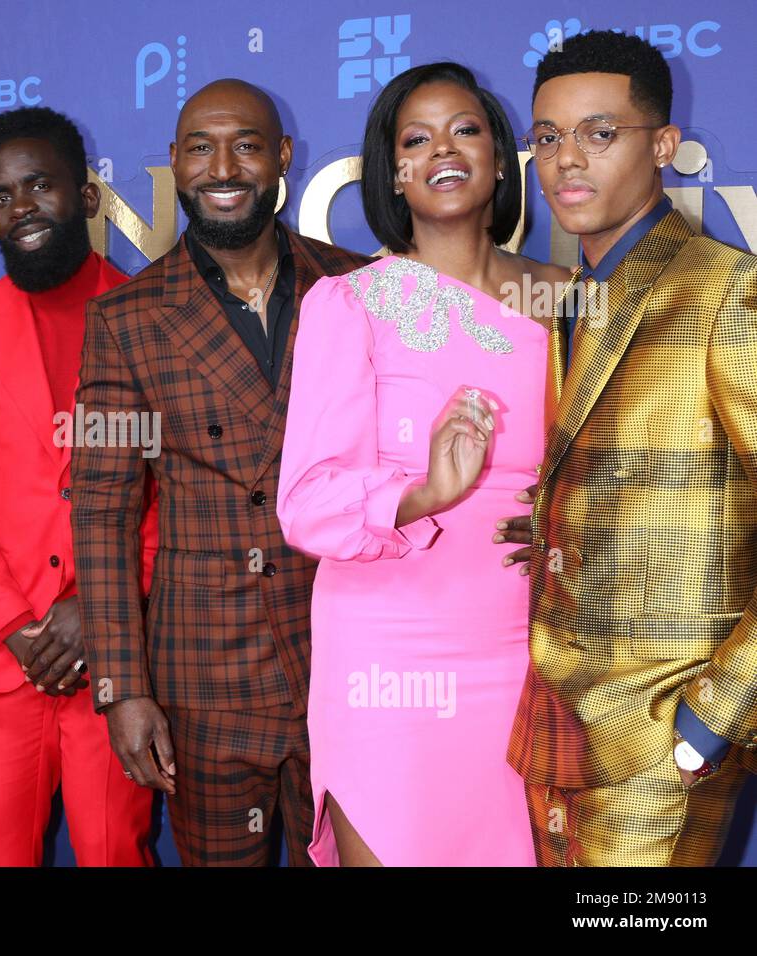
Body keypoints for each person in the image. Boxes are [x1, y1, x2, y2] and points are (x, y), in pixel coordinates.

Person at [277, 63, 571, 867]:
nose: (444, 149)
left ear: (504, 157)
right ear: (394, 174)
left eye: (466, 129)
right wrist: (424, 491)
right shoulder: (351, 303)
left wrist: (561, 515)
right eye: (417, 138)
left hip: (527, 648)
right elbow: (307, 503)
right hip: (385, 655)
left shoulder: (569, 302)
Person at [70, 80, 369, 866]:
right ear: (174, 163)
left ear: (283, 157)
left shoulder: (361, 288)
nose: (222, 165)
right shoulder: (125, 319)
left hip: (343, 657)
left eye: (245, 143)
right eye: (200, 147)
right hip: (201, 673)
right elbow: (102, 513)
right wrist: (124, 688)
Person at [510, 30, 757, 866]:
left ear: (663, 146)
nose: (566, 160)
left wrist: (711, 720)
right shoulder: (572, 301)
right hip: (559, 731)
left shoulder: (728, 289)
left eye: (598, 132)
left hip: (666, 739)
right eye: (547, 137)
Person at [0, 106, 156, 866]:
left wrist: (103, 606)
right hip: (1, 660)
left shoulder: (149, 317)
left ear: (86, 198)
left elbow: (174, 491)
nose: (20, 209)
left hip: (117, 659)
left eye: (39, 186)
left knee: (114, 850)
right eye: (2, 194)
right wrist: (17, 625)